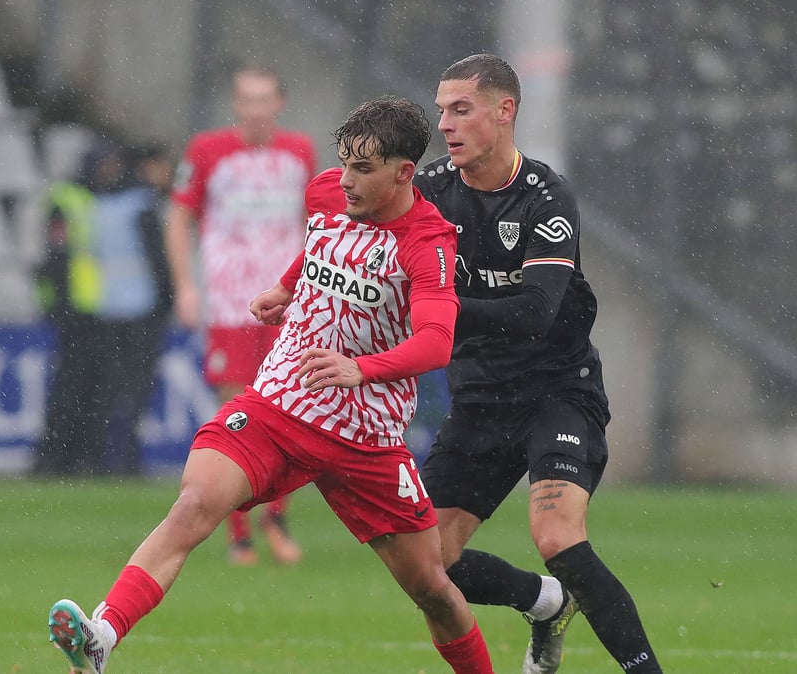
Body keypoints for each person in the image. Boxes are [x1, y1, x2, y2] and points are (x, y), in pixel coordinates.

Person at [47, 95, 495, 674]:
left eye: (364, 169)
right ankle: (102, 635)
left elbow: (437, 342)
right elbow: (318, 245)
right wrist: (288, 288)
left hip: (365, 435)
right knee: (193, 504)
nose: (346, 179)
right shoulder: (327, 191)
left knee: (433, 587)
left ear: (403, 172)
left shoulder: (426, 242)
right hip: (279, 402)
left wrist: (362, 368)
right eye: (345, 163)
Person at [413, 54, 663, 673]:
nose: (444, 123)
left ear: (505, 111)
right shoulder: (429, 192)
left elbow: (534, 313)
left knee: (557, 536)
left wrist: (437, 306)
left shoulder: (546, 198)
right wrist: (296, 287)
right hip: (478, 400)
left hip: (558, 391)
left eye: (461, 109)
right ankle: (545, 604)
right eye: (441, 109)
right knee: (425, 564)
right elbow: (356, 244)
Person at [165, 64, 315, 564]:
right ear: (236, 104)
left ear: (279, 103)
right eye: (246, 99)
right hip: (230, 301)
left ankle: (275, 515)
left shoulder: (300, 153)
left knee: (290, 410)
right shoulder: (208, 151)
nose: (254, 109)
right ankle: (238, 531)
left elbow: (315, 223)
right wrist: (187, 287)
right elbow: (179, 215)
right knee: (236, 411)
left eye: (263, 99)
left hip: (288, 303)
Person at [33, 139, 173, 477]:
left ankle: (86, 460)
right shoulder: (126, 204)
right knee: (88, 392)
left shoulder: (102, 202)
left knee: (93, 392)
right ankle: (86, 460)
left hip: (100, 311)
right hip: (93, 312)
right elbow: (58, 258)